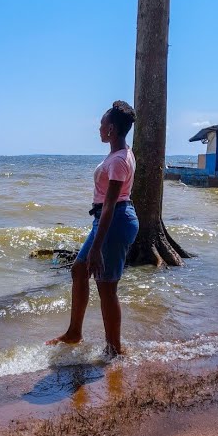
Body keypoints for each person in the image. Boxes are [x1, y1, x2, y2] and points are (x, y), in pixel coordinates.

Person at [48, 100, 141, 358]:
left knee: (107, 287)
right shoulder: (119, 153)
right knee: (79, 270)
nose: (98, 129)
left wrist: (97, 248)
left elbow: (111, 204)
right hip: (107, 219)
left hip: (114, 220)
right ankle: (74, 333)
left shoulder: (119, 160)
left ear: (111, 128)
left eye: (101, 124)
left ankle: (114, 349)